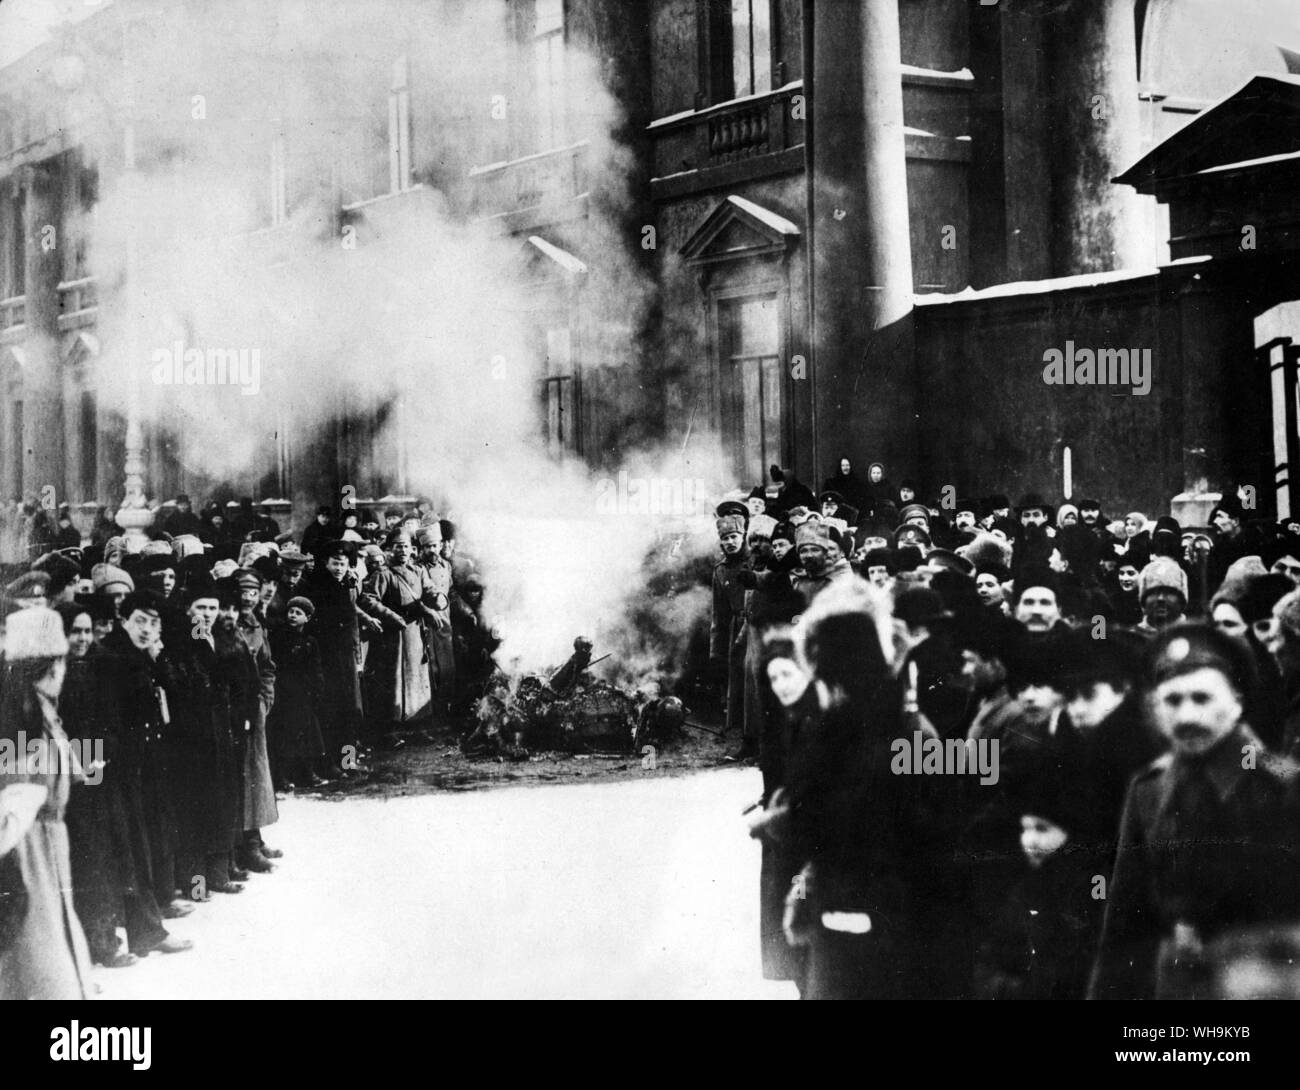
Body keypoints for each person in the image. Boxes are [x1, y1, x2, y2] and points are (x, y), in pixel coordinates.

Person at [1090, 624, 1300, 1000]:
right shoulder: (1149, 791)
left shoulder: (1282, 788)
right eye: (1172, 700)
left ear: (1236, 701)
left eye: (1202, 698)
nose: (1186, 715)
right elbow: (1125, 925)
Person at [0, 607, 94, 999]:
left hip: (48, 850)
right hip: (28, 855)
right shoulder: (22, 721)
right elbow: (15, 799)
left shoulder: (41, 711)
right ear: (52, 664)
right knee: (36, 962)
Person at [268, 597, 328, 790]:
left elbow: (316, 668)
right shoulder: (279, 637)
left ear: (308, 618)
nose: (292, 616)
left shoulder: (311, 642)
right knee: (285, 736)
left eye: (298, 613)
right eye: (290, 612)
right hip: (285, 695)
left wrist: (316, 690)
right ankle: (282, 777)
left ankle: (308, 773)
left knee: (308, 735)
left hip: (304, 695)